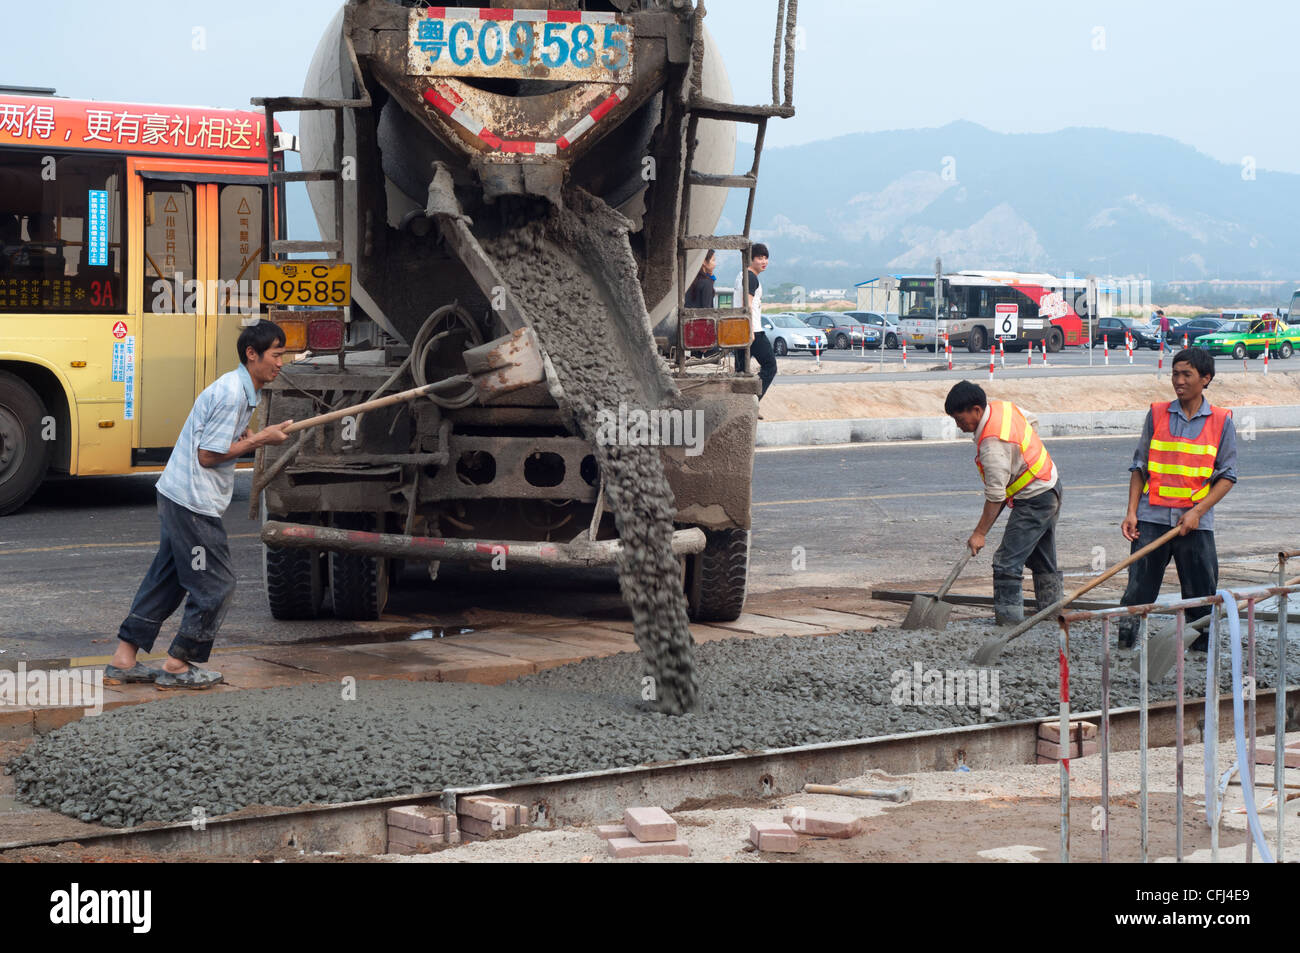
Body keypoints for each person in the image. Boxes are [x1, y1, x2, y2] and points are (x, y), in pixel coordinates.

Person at [104, 320, 295, 689]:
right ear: (252, 354)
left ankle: (123, 660)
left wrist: (251, 436)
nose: (281, 363)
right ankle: (178, 664)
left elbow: (215, 440)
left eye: (282, 355)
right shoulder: (232, 394)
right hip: (192, 503)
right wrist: (262, 441)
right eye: (276, 355)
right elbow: (208, 455)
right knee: (216, 584)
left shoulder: (239, 388)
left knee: (168, 579)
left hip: (179, 495)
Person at [1117, 347, 1236, 650]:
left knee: (1201, 594)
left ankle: (1200, 656)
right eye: (1175, 374)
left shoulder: (1221, 420)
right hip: (1151, 519)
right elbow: (1139, 467)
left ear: (1205, 379)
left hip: (1195, 523)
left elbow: (1226, 477)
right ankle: (1125, 648)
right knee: (1137, 593)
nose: (1178, 381)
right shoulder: (1157, 413)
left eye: (1186, 374)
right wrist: (1131, 512)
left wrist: (1198, 511)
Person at [945, 381, 1063, 626]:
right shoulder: (1003, 408)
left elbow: (996, 495)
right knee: (1042, 559)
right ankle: (1051, 614)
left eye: (960, 418)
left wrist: (979, 533)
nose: (958, 425)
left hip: (1035, 498)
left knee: (1006, 562)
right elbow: (1032, 422)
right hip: (1049, 484)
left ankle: (1008, 626)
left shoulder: (992, 443)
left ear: (976, 410)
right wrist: (1019, 459)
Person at [734, 243, 777, 398]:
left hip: (739, 330)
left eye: (766, 258)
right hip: (753, 331)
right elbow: (747, 305)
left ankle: (741, 404)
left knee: (740, 372)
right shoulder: (751, 278)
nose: (764, 261)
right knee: (770, 366)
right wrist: (750, 330)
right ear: (751, 259)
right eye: (759, 258)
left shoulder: (742, 275)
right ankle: (754, 400)